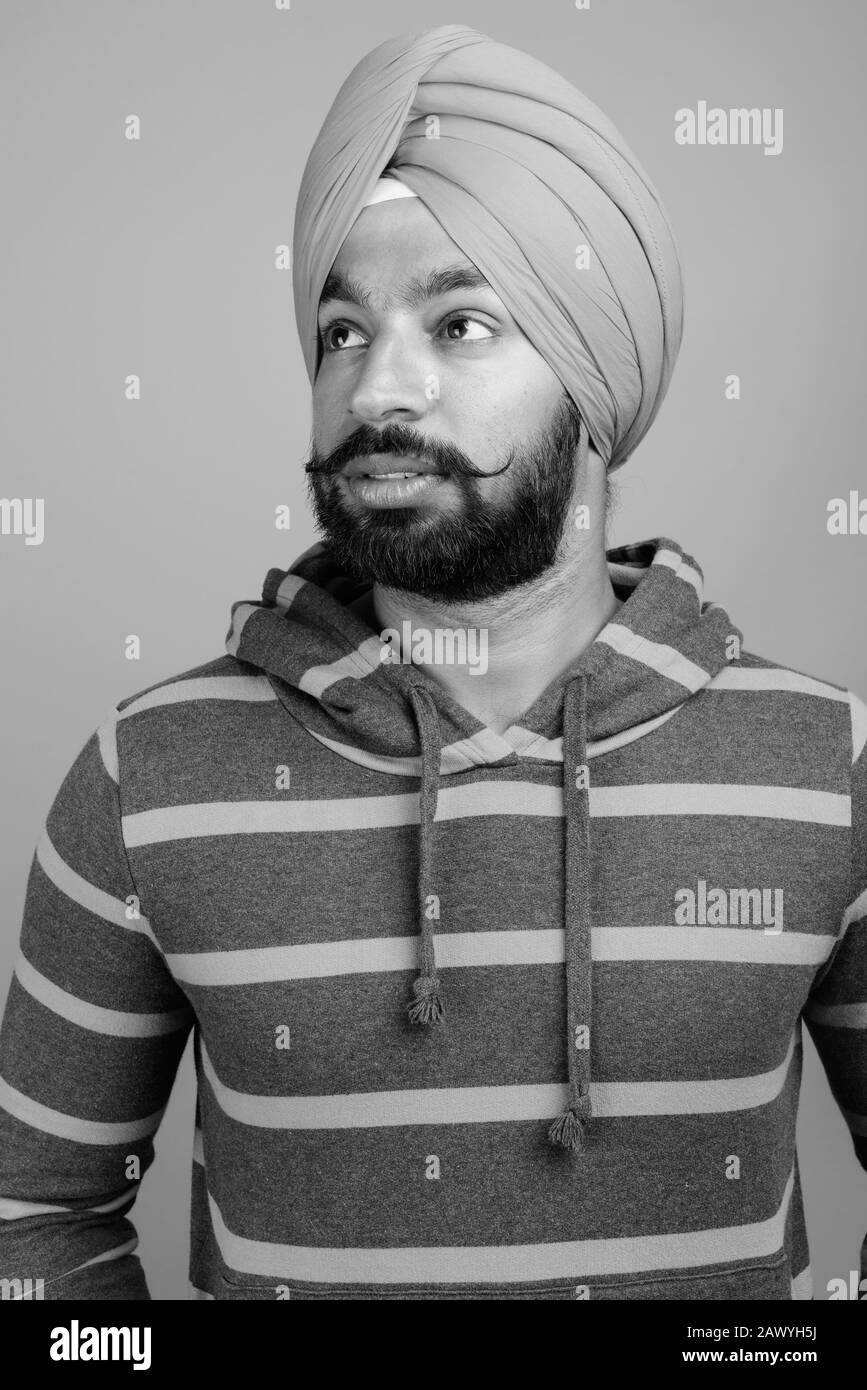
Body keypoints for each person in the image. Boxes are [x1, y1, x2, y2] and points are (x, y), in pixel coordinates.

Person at [0, 23, 864, 1302]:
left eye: (461, 324)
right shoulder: (146, 777)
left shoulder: (826, 766)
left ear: (595, 384)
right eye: (343, 330)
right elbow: (33, 1226)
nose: (379, 390)